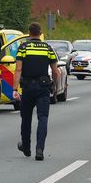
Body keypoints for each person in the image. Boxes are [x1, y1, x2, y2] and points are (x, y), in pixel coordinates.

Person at [12, 23, 61, 161]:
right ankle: (40, 149)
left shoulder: (23, 47)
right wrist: (55, 86)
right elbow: (55, 71)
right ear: (40, 33)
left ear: (29, 33)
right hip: (43, 88)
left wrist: (15, 89)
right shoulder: (47, 48)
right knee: (43, 118)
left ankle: (26, 147)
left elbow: (18, 70)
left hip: (27, 88)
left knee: (26, 118)